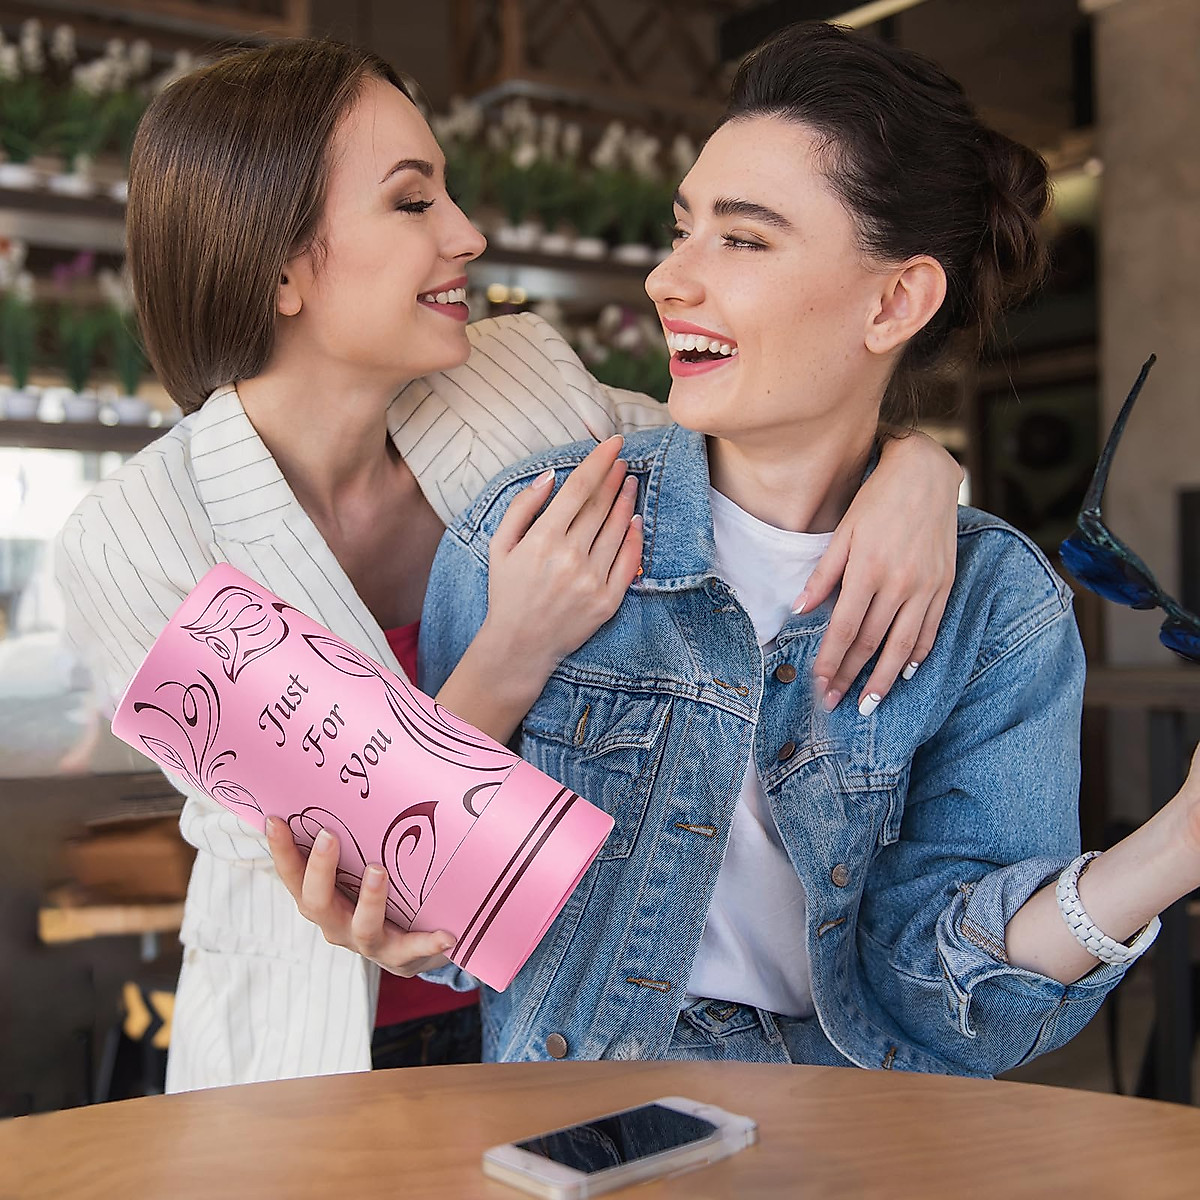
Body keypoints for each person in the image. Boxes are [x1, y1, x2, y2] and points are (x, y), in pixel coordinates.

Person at [54, 39, 962, 1091]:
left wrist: (914, 465)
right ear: (280, 265)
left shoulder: (514, 380)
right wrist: (515, 646)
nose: (467, 234)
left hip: (562, 1017)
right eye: (412, 203)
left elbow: (762, 452)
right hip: (321, 1045)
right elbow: (364, 845)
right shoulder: (140, 541)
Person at [381, 21, 1200, 1074]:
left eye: (742, 239)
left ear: (895, 301)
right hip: (573, 1119)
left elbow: (952, 1005)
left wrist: (1176, 846)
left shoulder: (998, 606)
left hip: (849, 1125)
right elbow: (442, 938)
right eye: (683, 230)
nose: (667, 280)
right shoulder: (533, 530)